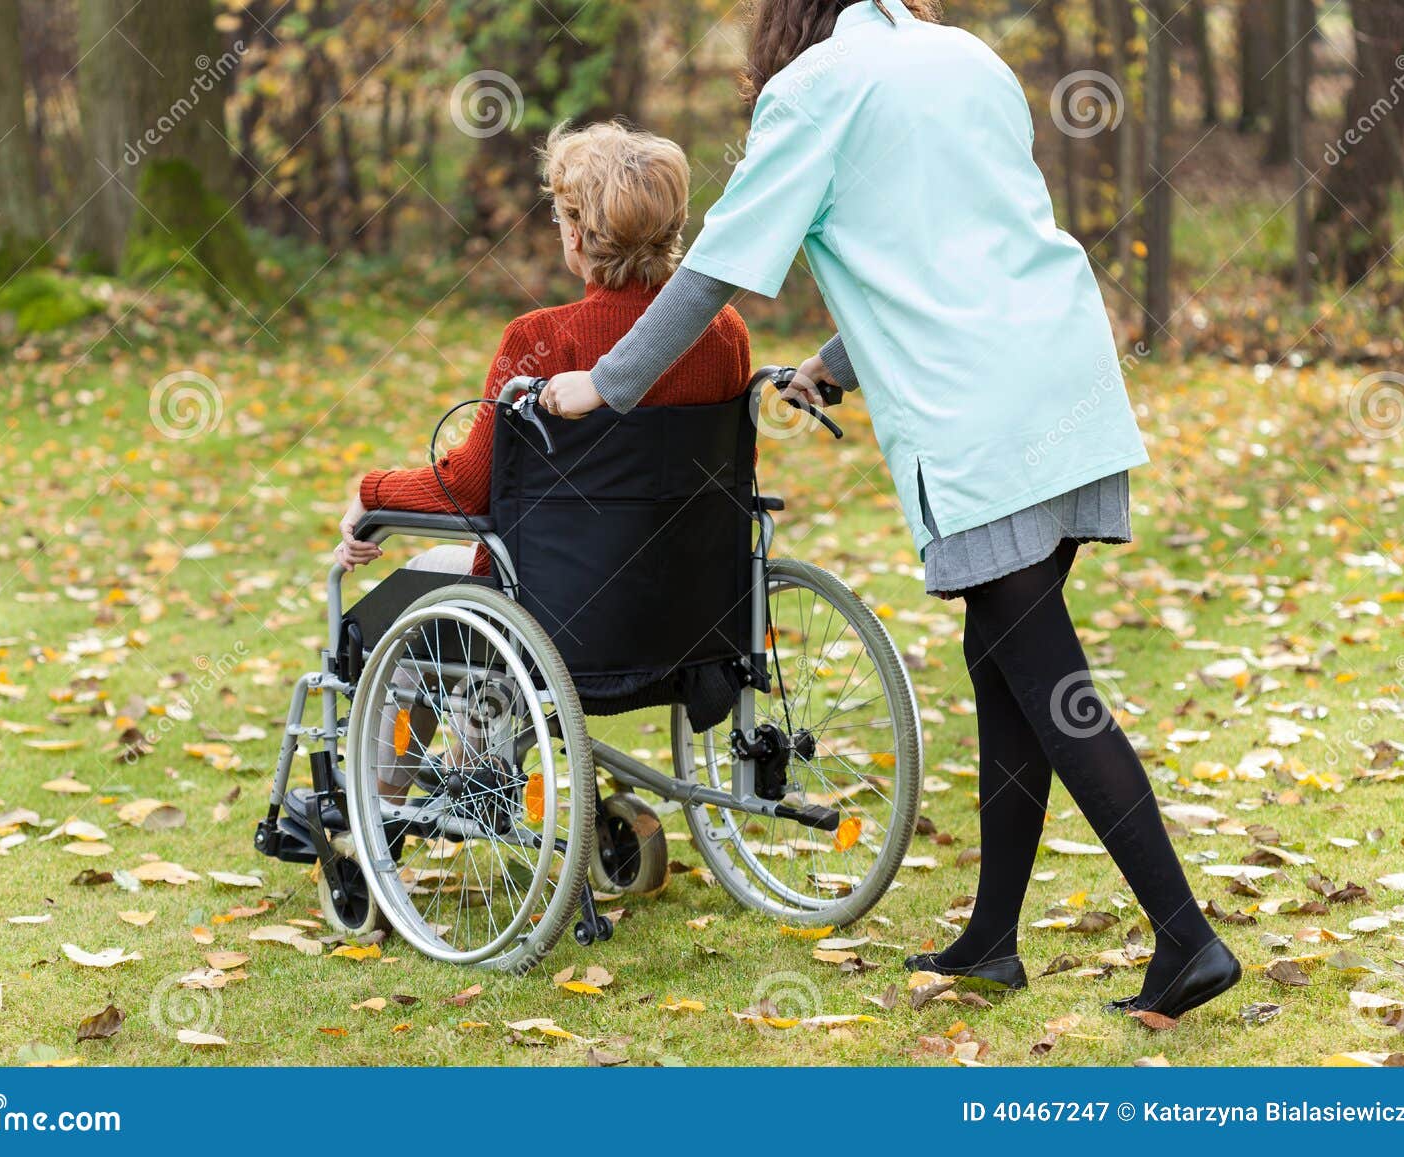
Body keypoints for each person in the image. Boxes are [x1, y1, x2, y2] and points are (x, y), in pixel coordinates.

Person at [540, 0, 1240, 1020]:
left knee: (1050, 679)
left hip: (981, 419)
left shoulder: (812, 92)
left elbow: (714, 268)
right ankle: (992, 938)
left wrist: (605, 383)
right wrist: (830, 367)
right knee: (1001, 660)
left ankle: (1184, 933)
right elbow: (948, 258)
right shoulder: (967, 59)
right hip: (1064, 377)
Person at [334, 119, 752, 801]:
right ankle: (480, 768)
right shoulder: (723, 335)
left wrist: (372, 491)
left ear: (577, 234)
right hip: (690, 620)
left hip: (559, 623)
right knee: (486, 584)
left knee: (410, 605)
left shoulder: (540, 339)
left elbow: (468, 490)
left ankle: (385, 814)